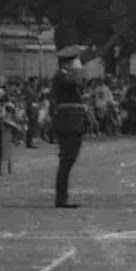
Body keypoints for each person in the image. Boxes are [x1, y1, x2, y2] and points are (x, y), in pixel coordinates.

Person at [51, 46, 89, 208]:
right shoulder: (61, 76)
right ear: (68, 63)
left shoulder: (65, 76)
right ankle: (61, 198)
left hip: (72, 122)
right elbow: (78, 82)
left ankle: (62, 197)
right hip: (68, 123)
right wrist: (78, 71)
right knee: (66, 161)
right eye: (76, 61)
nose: (78, 64)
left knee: (68, 161)